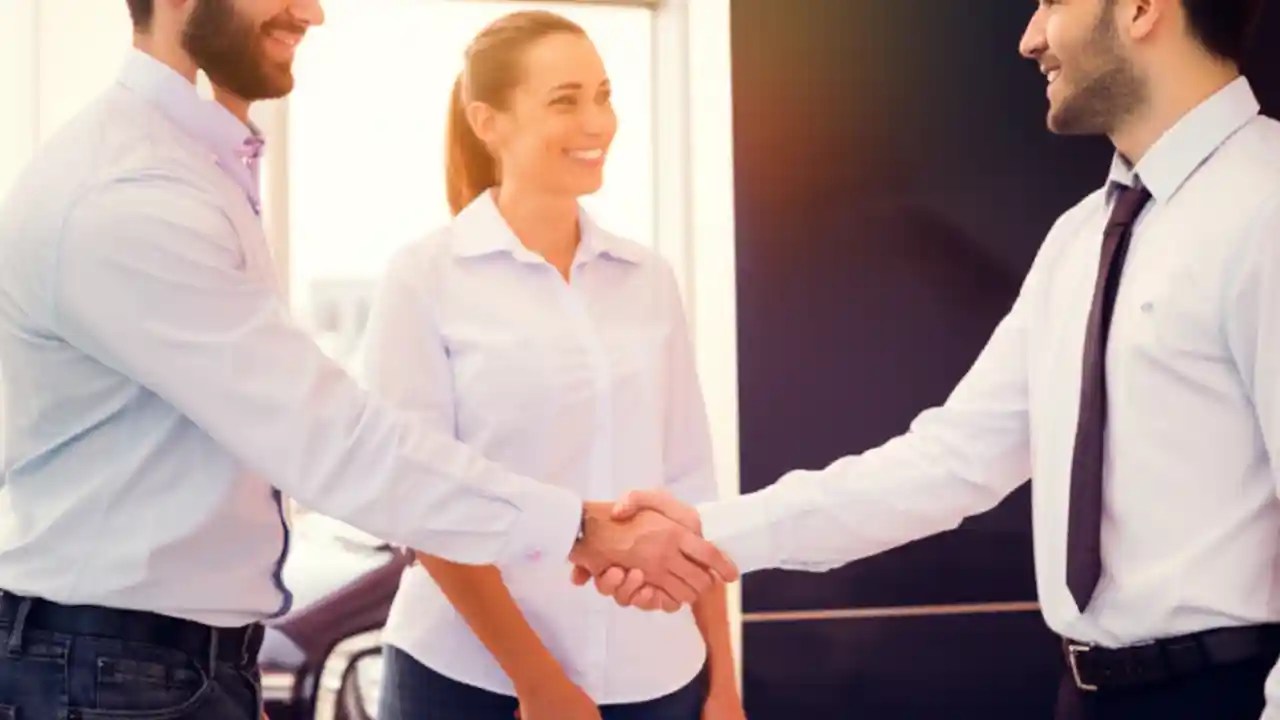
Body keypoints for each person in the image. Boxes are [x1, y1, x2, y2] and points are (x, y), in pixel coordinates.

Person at [0, 2, 736, 718]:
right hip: (118, 671)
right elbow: (337, 442)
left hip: (158, 666)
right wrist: (579, 528)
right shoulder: (132, 193)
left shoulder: (193, 170)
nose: (311, 13)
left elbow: (223, 445)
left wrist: (219, 669)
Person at [585, 1, 1280, 718]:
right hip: (1087, 697)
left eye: (1053, 1)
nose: (1030, 38)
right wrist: (705, 533)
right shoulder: (1080, 239)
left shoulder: (1267, 206)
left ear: (1140, 9)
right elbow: (951, 462)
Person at [362, 11, 746, 720]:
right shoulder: (425, 277)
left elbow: (691, 487)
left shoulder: (647, 278)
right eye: (565, 101)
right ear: (489, 121)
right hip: (471, 679)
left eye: (603, 95)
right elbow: (420, 500)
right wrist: (537, 681)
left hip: (656, 675)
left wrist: (723, 680)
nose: (596, 122)